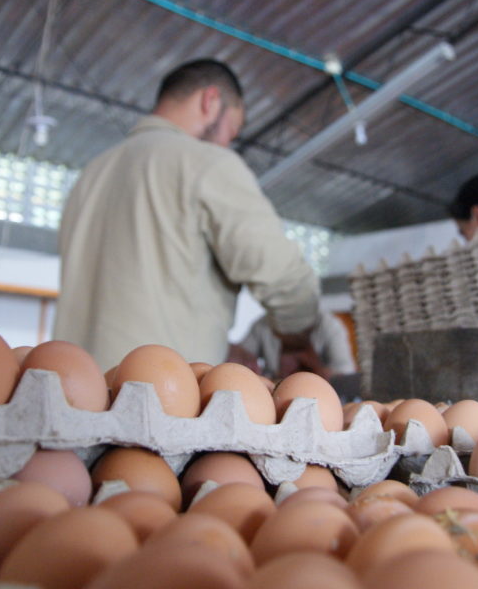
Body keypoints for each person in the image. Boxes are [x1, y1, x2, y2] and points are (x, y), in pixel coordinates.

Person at [53, 59, 320, 368]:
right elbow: (284, 278)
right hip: (156, 398)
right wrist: (295, 342)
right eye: (232, 130)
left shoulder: (90, 175)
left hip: (71, 390)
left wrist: (220, 345)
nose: (228, 143)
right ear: (211, 101)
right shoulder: (205, 163)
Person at [230, 310, 357, 381]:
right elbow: (239, 358)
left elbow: (346, 372)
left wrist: (317, 371)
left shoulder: (328, 326)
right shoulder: (265, 324)